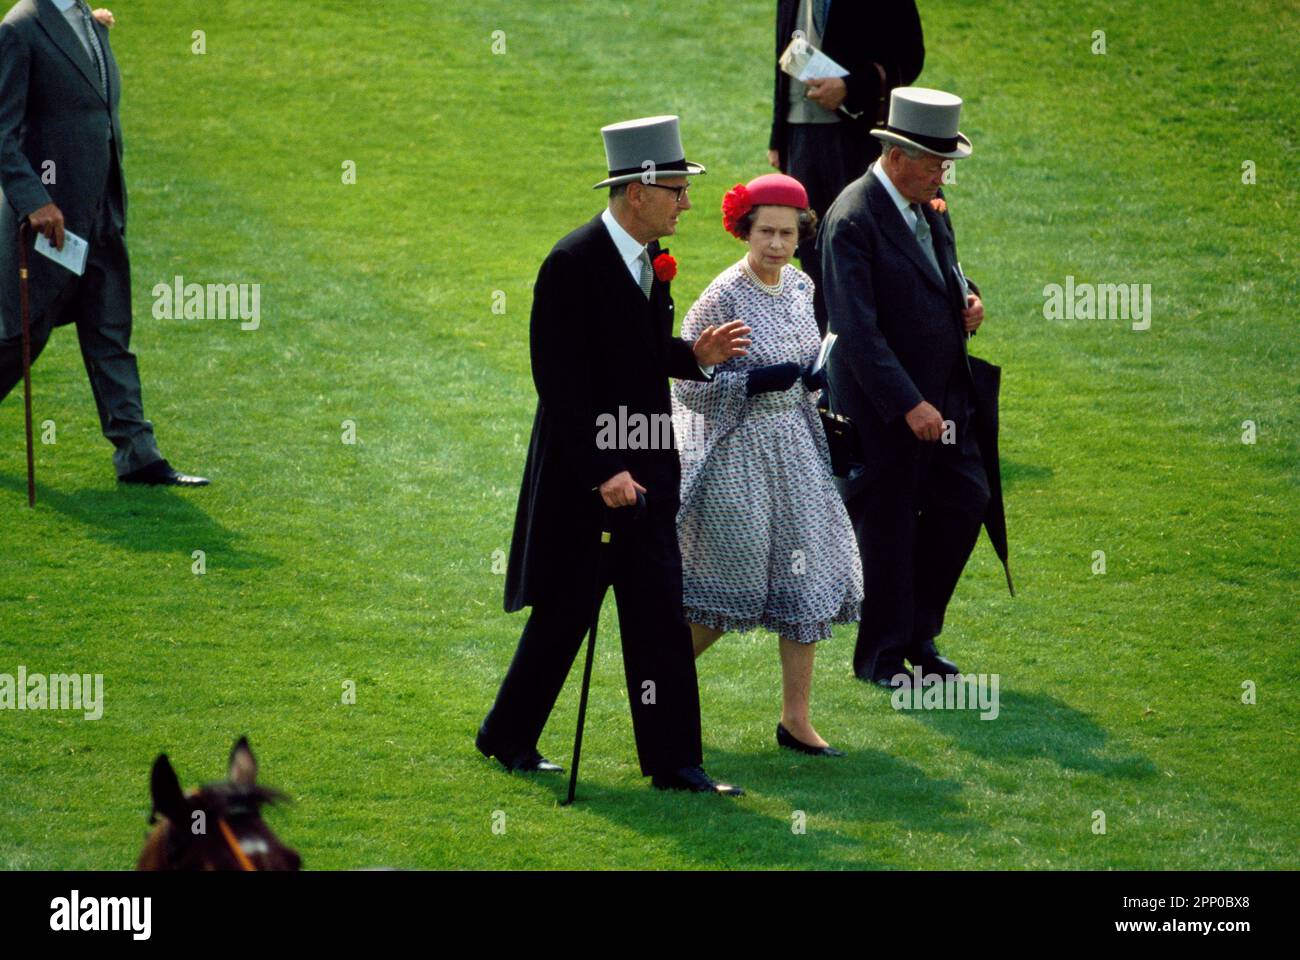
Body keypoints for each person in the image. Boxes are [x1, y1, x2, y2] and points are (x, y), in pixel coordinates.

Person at [478, 116, 751, 796]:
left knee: (659, 614)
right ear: (640, 192)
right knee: (566, 613)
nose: (687, 203)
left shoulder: (648, 262)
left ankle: (674, 762)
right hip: (589, 476)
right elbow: (561, 383)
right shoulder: (570, 265)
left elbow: (636, 354)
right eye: (678, 191)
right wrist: (604, 471)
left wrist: (693, 356)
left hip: (650, 468)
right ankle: (506, 735)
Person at [820, 87, 1009, 688]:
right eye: (934, 161)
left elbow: (939, 273)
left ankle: (919, 632)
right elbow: (857, 329)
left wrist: (967, 298)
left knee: (966, 499)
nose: (941, 173)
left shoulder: (927, 203)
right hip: (886, 411)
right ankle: (880, 656)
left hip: (945, 398)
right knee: (890, 526)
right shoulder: (852, 218)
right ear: (897, 155)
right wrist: (908, 404)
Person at [672, 173, 863, 756]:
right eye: (765, 233)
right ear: (744, 231)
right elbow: (687, 386)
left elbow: (806, 362)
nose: (777, 244)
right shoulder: (723, 295)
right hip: (736, 453)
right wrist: (753, 384)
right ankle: (655, 684)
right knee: (730, 588)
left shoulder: (802, 288)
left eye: (787, 233)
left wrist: (813, 379)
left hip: (797, 450)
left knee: (805, 582)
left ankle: (796, 720)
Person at [0, 0, 207, 486]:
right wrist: (35, 200)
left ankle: (138, 454)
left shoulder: (85, 22)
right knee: (19, 339)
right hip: (50, 222)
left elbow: (88, 99)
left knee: (110, 329)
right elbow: (2, 134)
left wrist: (91, 32)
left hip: (102, 210)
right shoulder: (19, 29)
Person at [768, 0, 924, 336]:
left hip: (857, 136)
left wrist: (851, 87)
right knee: (811, 250)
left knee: (859, 245)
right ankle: (823, 360)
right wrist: (778, 137)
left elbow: (910, 57)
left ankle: (865, 347)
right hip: (800, 136)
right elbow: (783, 54)